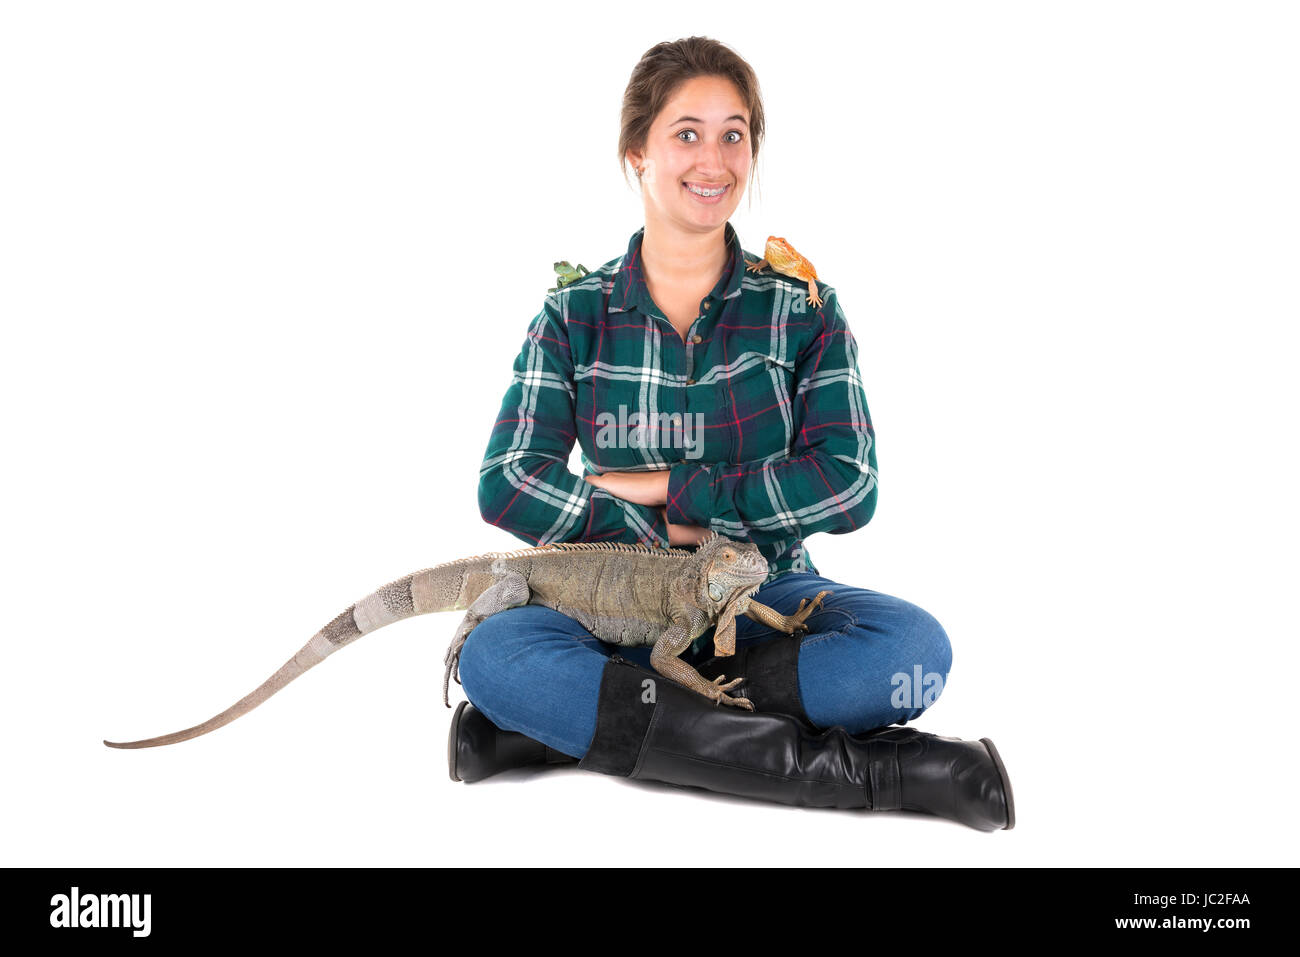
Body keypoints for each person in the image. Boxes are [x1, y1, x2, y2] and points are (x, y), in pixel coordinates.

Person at [450, 37, 1013, 831]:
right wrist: (658, 530)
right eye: (686, 133)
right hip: (612, 602)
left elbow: (849, 484)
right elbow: (506, 480)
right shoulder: (572, 315)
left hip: (761, 596)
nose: (713, 159)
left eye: (734, 133)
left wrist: (677, 492)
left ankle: (576, 729)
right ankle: (876, 771)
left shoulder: (802, 309)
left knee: (913, 654)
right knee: (494, 654)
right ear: (635, 152)